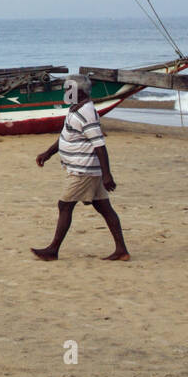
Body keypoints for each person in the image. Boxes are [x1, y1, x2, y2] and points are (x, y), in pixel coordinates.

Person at [32, 75, 130, 262]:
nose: (65, 92)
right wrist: (49, 153)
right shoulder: (75, 109)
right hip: (86, 169)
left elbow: (100, 145)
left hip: (83, 171)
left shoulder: (86, 112)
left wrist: (107, 175)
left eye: (69, 89)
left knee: (65, 205)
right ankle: (121, 250)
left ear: (80, 92)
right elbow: (65, 136)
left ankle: (53, 250)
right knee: (104, 207)